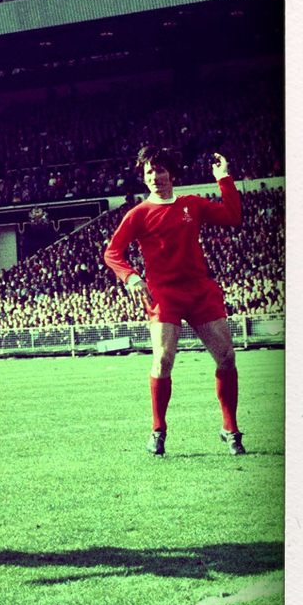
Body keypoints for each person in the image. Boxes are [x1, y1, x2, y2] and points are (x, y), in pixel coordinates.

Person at [103, 146, 245, 456]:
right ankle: (158, 430)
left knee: (226, 357)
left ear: (172, 174)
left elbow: (233, 216)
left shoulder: (191, 204)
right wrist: (131, 277)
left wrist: (224, 178)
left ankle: (230, 429)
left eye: (160, 170)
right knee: (163, 359)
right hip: (164, 293)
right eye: (149, 172)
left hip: (199, 290)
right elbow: (112, 253)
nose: (155, 176)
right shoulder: (138, 214)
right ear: (144, 178)